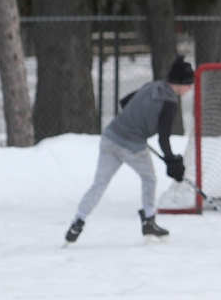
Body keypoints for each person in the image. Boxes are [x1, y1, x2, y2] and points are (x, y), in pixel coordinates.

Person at [64, 55, 193, 243]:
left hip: (110, 138)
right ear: (180, 83)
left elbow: (124, 103)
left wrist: (136, 124)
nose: (190, 89)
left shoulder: (151, 86)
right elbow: (164, 138)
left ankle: (78, 221)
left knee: (99, 184)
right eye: (189, 85)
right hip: (132, 147)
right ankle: (149, 220)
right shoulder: (170, 102)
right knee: (149, 178)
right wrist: (172, 161)